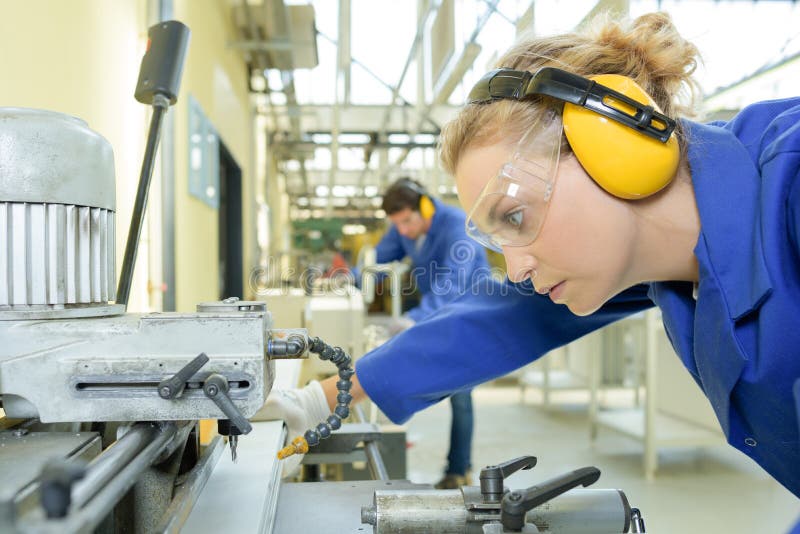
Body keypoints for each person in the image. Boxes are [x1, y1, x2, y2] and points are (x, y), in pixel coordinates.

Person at [267, 12, 800, 521]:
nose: (516, 268)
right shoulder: (662, 267)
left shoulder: (792, 184)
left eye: (515, 216)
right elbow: (501, 319)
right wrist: (319, 400)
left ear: (616, 140)